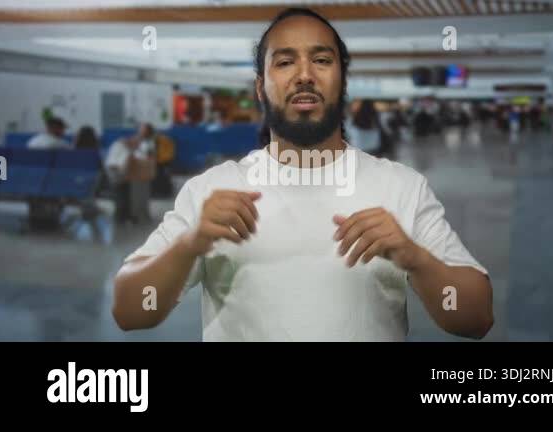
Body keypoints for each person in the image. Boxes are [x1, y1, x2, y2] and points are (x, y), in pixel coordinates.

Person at [113, 7, 493, 341]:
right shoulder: (211, 190)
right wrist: (188, 246)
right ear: (261, 88)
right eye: (284, 62)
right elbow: (130, 311)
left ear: (342, 81)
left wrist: (416, 258)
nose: (305, 75)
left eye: (322, 60)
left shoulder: (402, 188)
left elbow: (475, 319)